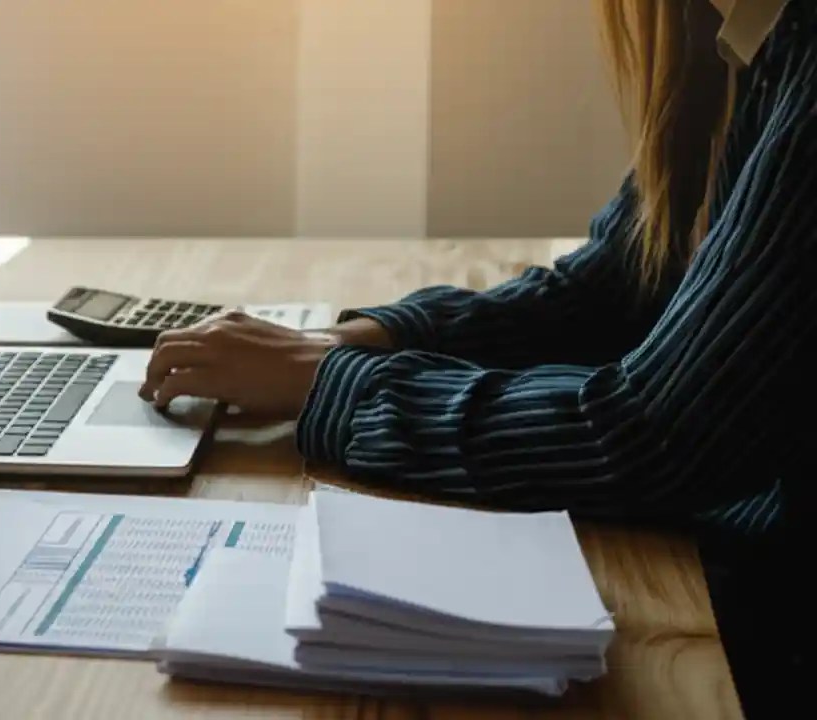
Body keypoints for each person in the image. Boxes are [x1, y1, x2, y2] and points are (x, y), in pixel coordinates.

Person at [140, 0, 812, 716]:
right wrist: (352, 341)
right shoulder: (746, 35)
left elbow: (646, 433)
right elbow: (615, 289)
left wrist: (325, 385)